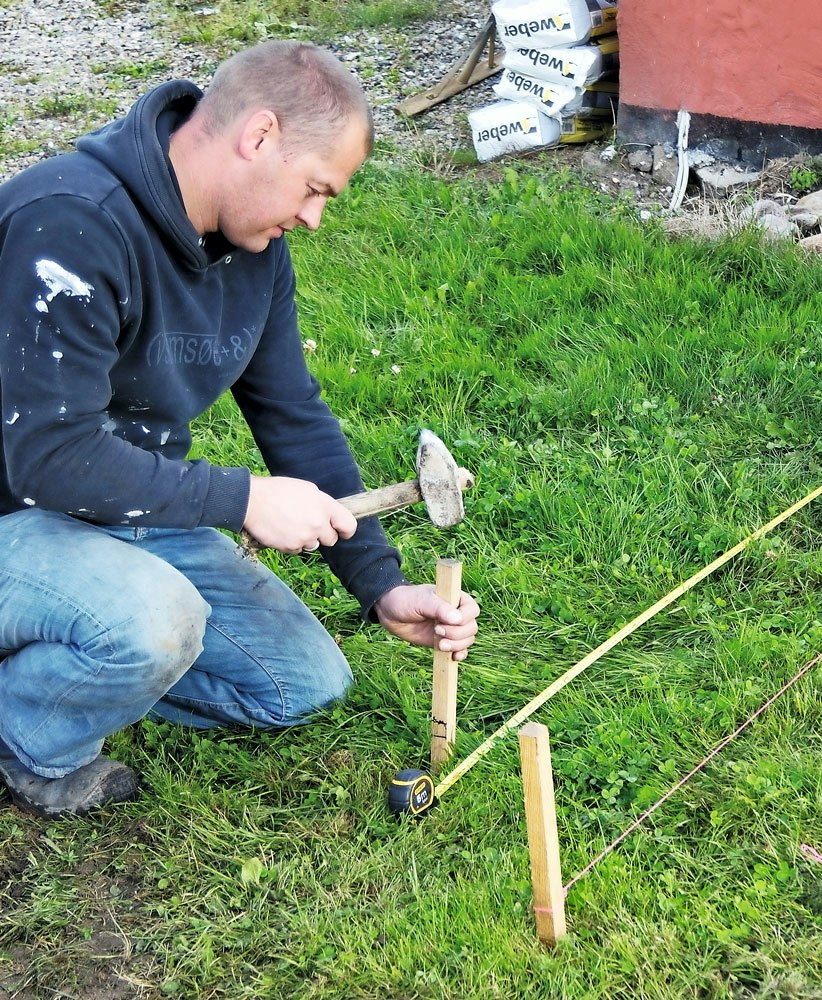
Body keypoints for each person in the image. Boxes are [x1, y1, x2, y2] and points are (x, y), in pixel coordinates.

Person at [0, 41, 480, 818]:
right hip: (18, 514)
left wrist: (382, 586)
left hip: (132, 511)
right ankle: (27, 733)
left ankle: (96, 649)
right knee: (159, 622)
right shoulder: (69, 224)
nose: (316, 218)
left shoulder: (255, 253)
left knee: (301, 682)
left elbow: (292, 415)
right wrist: (243, 497)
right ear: (258, 137)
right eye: (315, 188)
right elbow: (49, 457)